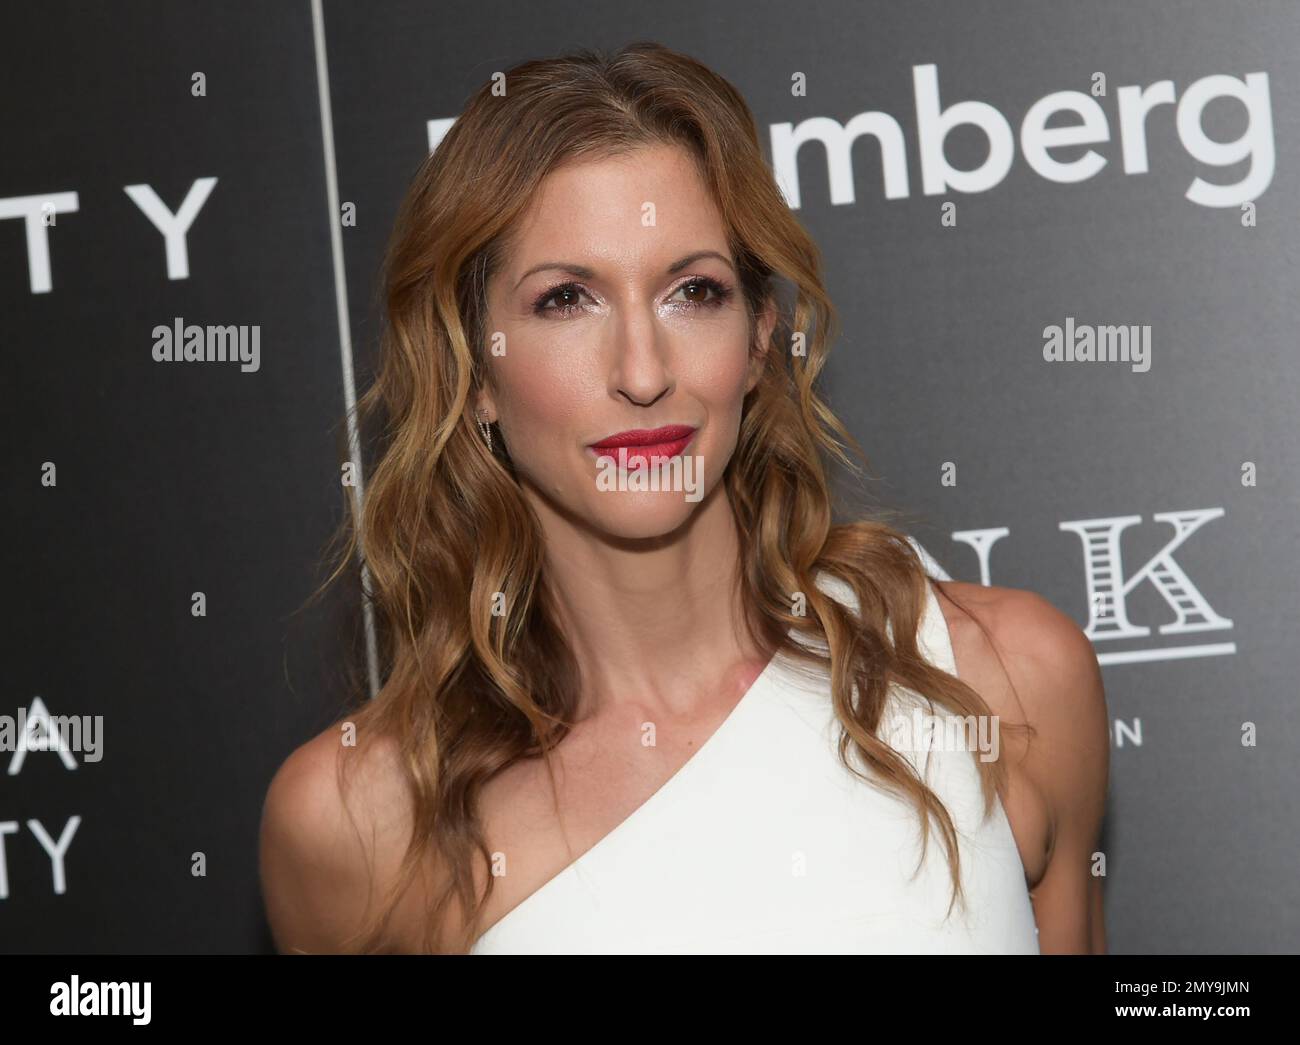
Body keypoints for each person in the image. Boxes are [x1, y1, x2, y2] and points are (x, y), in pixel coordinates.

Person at [258, 42, 1109, 955]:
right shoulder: (360, 825)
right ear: (473, 374)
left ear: (758, 340)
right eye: (565, 300)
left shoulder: (1005, 677)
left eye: (692, 292)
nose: (643, 371)